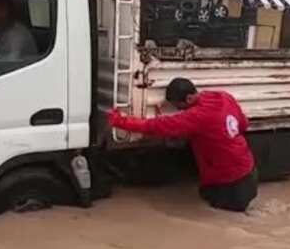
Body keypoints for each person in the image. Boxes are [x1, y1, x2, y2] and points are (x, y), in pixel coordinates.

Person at [107, 78, 258, 212]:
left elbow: (154, 126)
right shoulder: (224, 97)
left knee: (216, 214)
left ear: (189, 98)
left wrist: (118, 121)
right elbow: (243, 124)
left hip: (230, 182)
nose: (178, 111)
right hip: (249, 171)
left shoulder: (196, 116)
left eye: (177, 106)